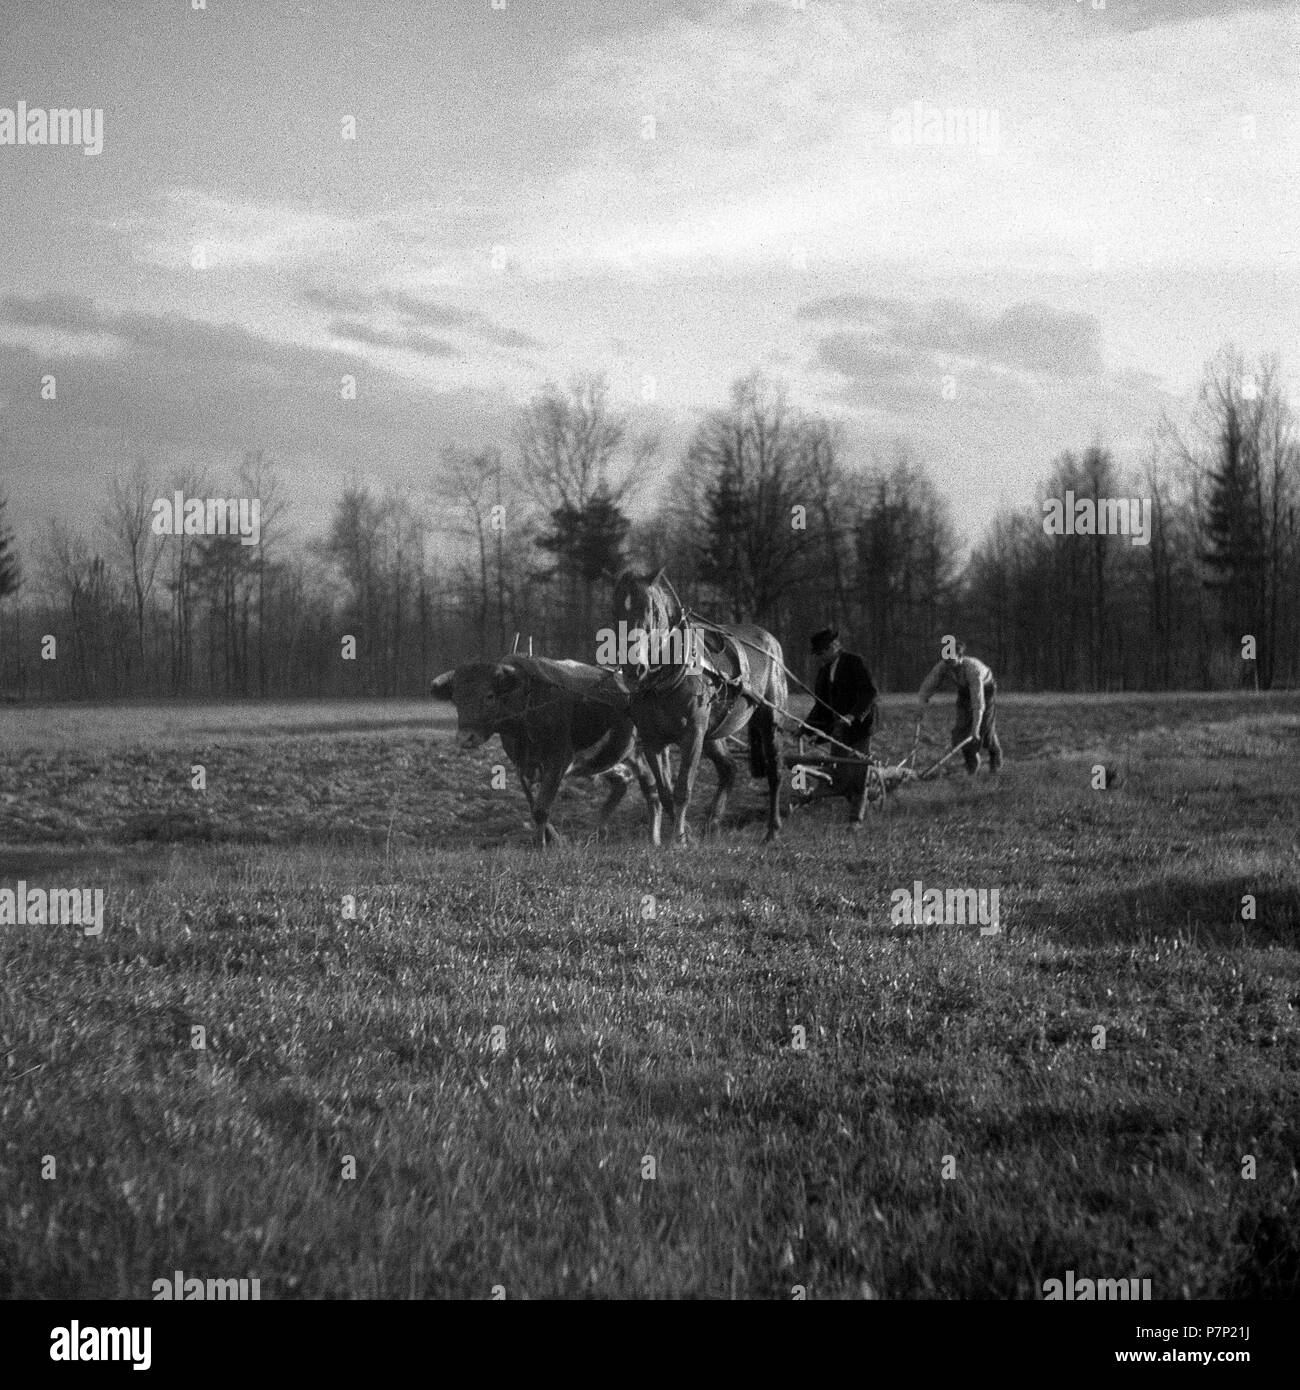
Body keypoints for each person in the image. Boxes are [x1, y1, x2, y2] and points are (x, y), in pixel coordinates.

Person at [917, 641, 1002, 774]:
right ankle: (971, 762)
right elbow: (928, 686)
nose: (949, 666)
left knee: (985, 729)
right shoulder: (943, 666)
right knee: (959, 731)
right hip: (964, 692)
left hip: (985, 690)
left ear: (960, 657)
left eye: (952, 662)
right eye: (946, 661)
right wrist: (920, 707)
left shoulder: (972, 669)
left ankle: (995, 756)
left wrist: (975, 730)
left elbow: (978, 704)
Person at [806, 628, 878, 756]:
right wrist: (805, 729)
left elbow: (870, 693)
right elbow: (822, 706)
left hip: (859, 728)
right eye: (817, 654)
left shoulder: (854, 662)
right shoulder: (824, 671)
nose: (819, 657)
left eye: (821, 653)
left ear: (833, 647)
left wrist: (852, 715)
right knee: (838, 767)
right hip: (839, 731)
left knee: (856, 767)